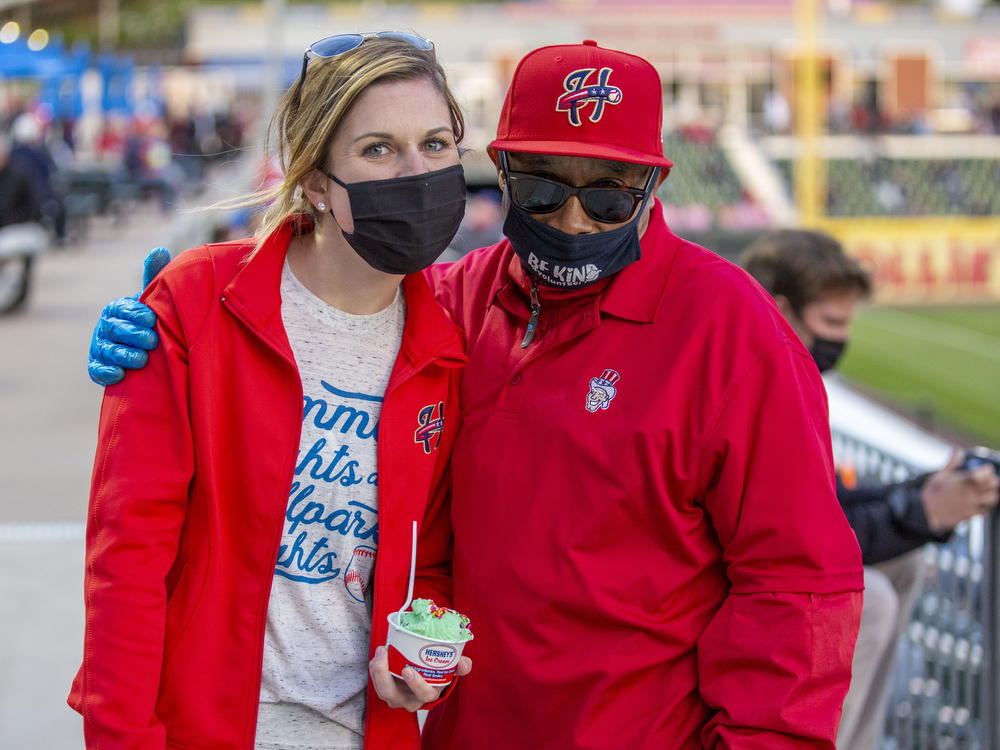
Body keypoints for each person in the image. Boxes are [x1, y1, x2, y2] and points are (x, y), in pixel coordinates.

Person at [90, 41, 864, 748]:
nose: (571, 218)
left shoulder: (736, 336)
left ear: (653, 183)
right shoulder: (451, 304)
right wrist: (165, 325)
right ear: (501, 174)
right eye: (540, 189)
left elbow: (797, 585)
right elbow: (429, 538)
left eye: (609, 197)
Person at [70, 33, 472, 750]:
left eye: (436, 144)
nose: (416, 172)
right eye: (378, 148)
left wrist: (418, 659)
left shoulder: (445, 347)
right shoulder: (197, 301)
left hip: (364, 731)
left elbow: (426, 557)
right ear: (315, 180)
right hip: (209, 725)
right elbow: (127, 560)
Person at [740, 229, 1000, 750]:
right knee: (870, 597)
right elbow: (802, 536)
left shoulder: (784, 374)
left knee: (901, 566)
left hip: (751, 574)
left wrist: (917, 492)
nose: (841, 340)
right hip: (727, 590)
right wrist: (920, 512)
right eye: (831, 323)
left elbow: (824, 502)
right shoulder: (756, 383)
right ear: (784, 311)